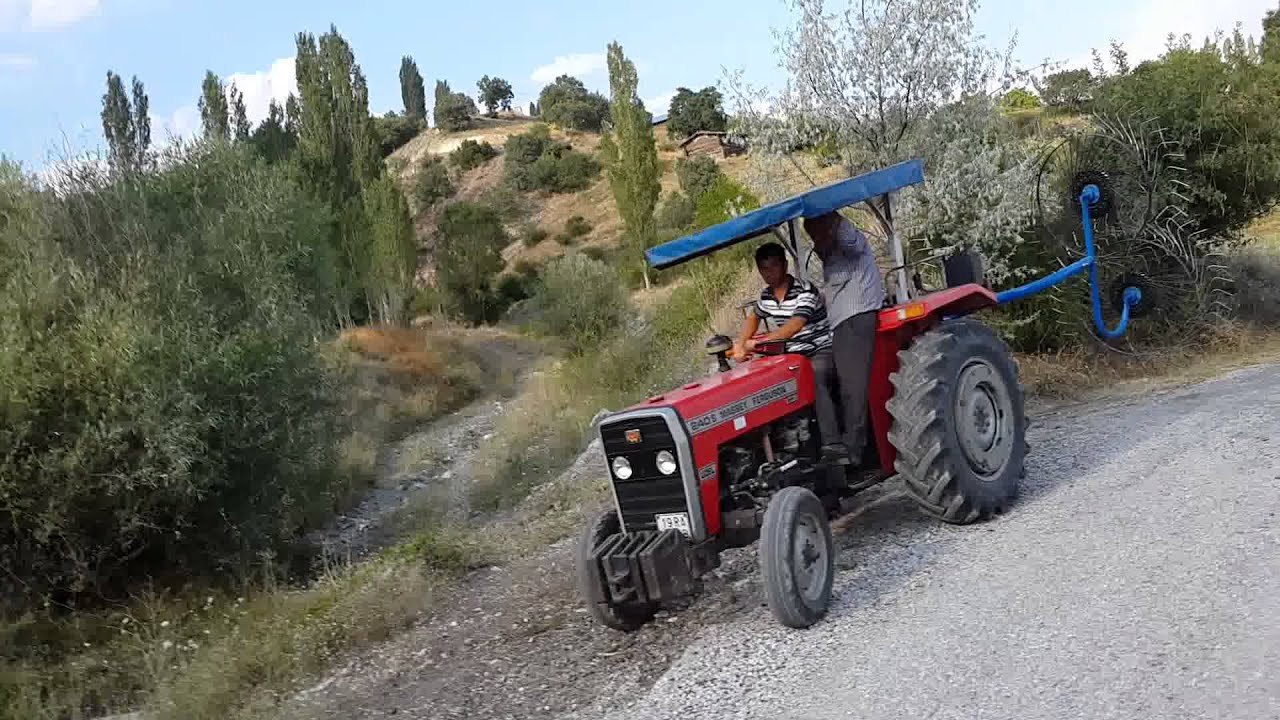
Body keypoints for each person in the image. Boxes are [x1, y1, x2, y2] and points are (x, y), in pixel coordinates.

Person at [730, 242, 849, 464]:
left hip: (819, 348)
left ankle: (833, 445)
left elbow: (794, 325)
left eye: (773, 266)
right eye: (764, 268)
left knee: (814, 376)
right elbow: (753, 318)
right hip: (790, 354)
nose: (769, 273)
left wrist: (758, 344)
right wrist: (741, 342)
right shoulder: (766, 296)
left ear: (785, 265)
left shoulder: (805, 291)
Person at [801, 211, 886, 468]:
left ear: (827, 228)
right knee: (817, 375)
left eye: (815, 233)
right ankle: (829, 444)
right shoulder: (829, 254)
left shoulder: (847, 239)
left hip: (856, 315)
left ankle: (854, 451)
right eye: (810, 235)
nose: (814, 241)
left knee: (852, 387)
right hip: (837, 323)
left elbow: (851, 240)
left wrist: (831, 218)